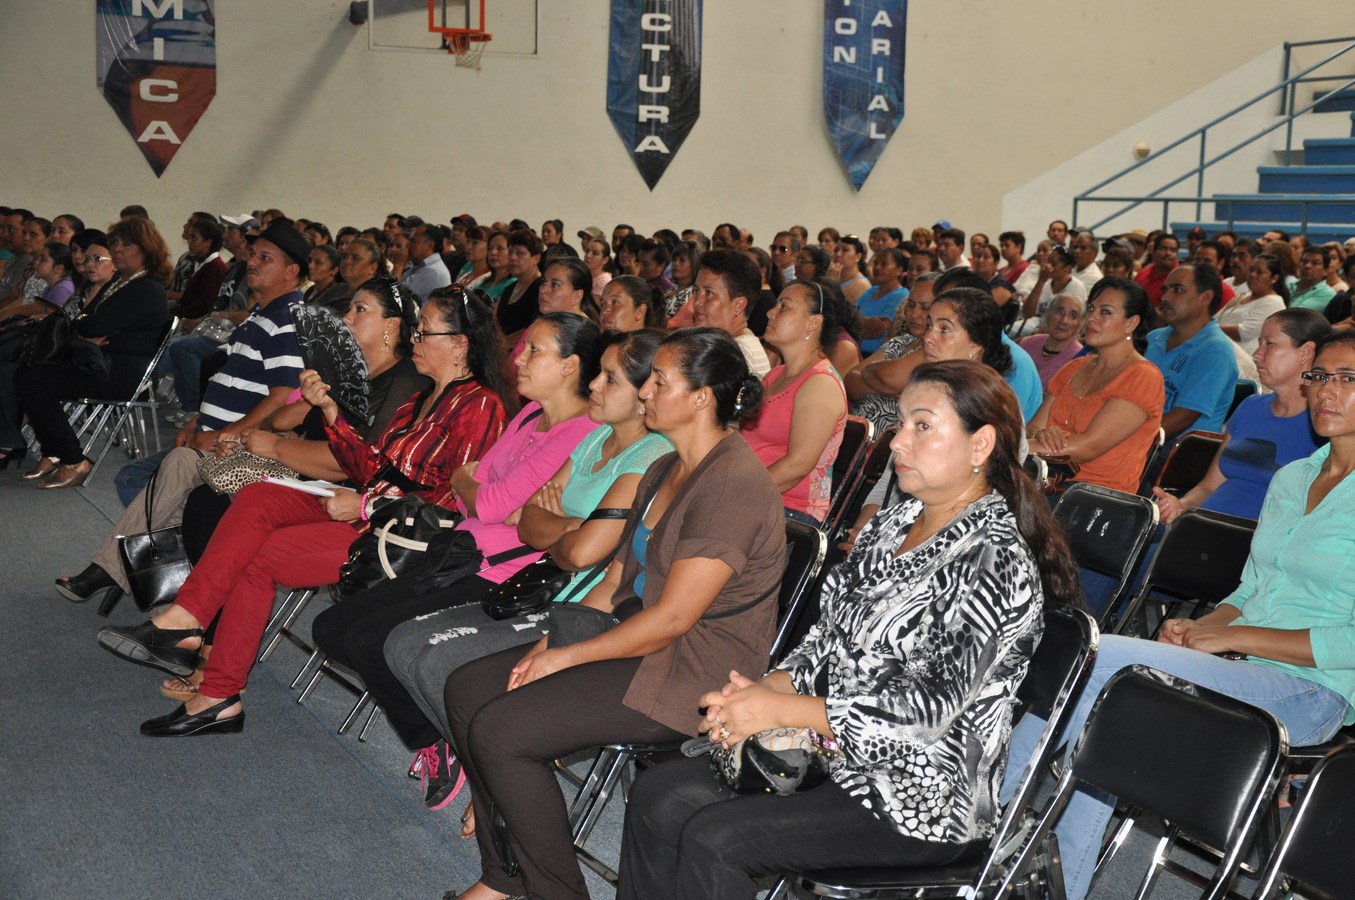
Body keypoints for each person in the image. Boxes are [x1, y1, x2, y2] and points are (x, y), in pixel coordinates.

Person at [617, 359, 1082, 900]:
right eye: (901, 423)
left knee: (716, 839)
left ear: (981, 446)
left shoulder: (992, 560)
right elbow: (824, 643)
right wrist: (759, 694)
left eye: (922, 426)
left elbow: (922, 714)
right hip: (829, 754)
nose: (898, 443)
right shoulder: (894, 522)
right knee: (658, 794)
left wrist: (781, 712)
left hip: (916, 797)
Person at [1005, 329, 1355, 900]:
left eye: (1349, 380)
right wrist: (1204, 626)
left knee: (1095, 659)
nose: (1327, 392)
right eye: (1321, 377)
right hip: (1243, 661)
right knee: (1112, 695)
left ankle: (983, 827)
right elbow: (1252, 587)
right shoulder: (1295, 477)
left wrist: (1234, 635)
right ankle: (1041, 866)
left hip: (1313, 690)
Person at [443, 327, 785, 900]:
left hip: (692, 671)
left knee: (502, 731)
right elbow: (614, 581)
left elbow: (675, 619)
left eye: (659, 382)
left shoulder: (732, 486)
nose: (645, 392)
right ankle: (503, 877)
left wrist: (570, 656)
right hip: (637, 637)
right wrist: (555, 641)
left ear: (702, 398)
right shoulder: (663, 469)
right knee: (469, 687)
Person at [95, 286, 513, 735]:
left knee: (256, 556)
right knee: (256, 498)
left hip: (403, 540)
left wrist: (370, 503)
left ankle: (216, 690)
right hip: (371, 512)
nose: (415, 339)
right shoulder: (423, 398)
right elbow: (368, 466)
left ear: (459, 343)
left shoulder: (480, 405)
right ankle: (188, 623)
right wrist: (332, 411)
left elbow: (455, 502)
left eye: (425, 332)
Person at [384, 329, 673, 811]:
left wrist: (559, 528)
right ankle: (476, 761)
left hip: (582, 603)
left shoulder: (651, 457)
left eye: (610, 379)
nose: (594, 386)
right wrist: (570, 527)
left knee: (439, 662)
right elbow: (534, 526)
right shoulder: (597, 434)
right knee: (401, 643)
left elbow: (582, 553)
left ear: (645, 396)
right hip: (543, 582)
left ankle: (491, 777)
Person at [309, 313, 602, 759]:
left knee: (369, 641)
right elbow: (472, 494)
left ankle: (443, 747)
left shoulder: (581, 432)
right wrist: (482, 490)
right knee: (331, 627)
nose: (518, 358)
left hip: (504, 572)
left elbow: (483, 498)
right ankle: (442, 730)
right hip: (458, 550)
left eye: (534, 350)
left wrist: (480, 490)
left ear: (569, 366)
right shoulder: (527, 416)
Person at [18, 216, 172, 488]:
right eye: (114, 242)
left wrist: (85, 327)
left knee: (34, 380)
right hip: (100, 363)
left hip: (121, 374)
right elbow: (86, 321)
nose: (117, 249)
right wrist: (86, 328)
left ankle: (73, 459)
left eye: (127, 243)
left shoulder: (145, 288)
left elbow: (93, 323)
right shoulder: (122, 283)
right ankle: (55, 451)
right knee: (27, 373)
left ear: (146, 248)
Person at [1153, 308, 1329, 524]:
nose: (1257, 353)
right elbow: (1208, 487)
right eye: (1259, 343)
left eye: (1269, 343)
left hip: (1252, 544)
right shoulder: (1250, 407)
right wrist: (1181, 505)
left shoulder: (1323, 425)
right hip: (1202, 528)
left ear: (1306, 352)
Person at [1027, 278, 1164, 494]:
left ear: (1131, 323)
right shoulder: (1075, 367)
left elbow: (1085, 448)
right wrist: (1042, 434)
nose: (1091, 318)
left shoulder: (1143, 378)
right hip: (1044, 483)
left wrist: (1012, 449)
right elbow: (1033, 427)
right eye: (1091, 309)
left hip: (1095, 500)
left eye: (1106, 312)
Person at [742, 279, 848, 525]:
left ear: (813, 322)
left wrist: (736, 495)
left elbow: (797, 465)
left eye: (784, 306)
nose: (770, 312)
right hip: (757, 498)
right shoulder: (776, 374)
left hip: (790, 512)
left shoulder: (820, 384)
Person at [1145, 263, 1239, 441]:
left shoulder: (1215, 350)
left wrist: (1126, 442)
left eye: (1178, 290)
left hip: (1174, 455)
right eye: (1165, 290)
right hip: (1144, 442)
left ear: (1206, 297)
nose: (1165, 297)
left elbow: (1183, 418)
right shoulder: (1154, 338)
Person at [846, 272, 935, 433]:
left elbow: (887, 378)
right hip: (857, 433)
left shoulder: (934, 350)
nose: (915, 314)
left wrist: (871, 379)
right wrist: (883, 386)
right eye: (911, 305)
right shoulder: (901, 342)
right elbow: (849, 382)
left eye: (925, 307)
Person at [1215, 253, 1289, 354]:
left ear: (1274, 278)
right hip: (1222, 349)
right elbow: (1217, 318)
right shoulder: (1242, 296)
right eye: (1251, 270)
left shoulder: (1273, 302)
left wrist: (1209, 328)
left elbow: (1243, 332)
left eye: (1259, 272)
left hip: (1245, 360)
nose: (1253, 275)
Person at [1017, 246, 1087, 337]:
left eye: (1053, 264)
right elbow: (1027, 313)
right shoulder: (1046, 284)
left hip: (1060, 330)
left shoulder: (1077, 287)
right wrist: (1040, 281)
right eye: (1048, 262)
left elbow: (1076, 321)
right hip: (1037, 323)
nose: (1047, 266)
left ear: (1067, 268)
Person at [1019, 292, 1085, 388]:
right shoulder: (1028, 343)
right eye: (1060, 312)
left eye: (1073, 316)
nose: (1064, 321)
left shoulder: (1078, 358)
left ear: (1080, 325)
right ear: (1048, 314)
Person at [854, 247, 907, 354]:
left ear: (899, 270)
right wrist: (863, 322)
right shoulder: (871, 291)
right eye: (876, 263)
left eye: (884, 264)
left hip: (875, 356)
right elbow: (850, 316)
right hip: (856, 351)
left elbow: (879, 330)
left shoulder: (902, 295)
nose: (877, 267)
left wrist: (856, 323)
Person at [496, 229, 544, 340]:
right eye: (511, 253)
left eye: (520, 253)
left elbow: (533, 329)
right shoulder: (509, 288)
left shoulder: (541, 289)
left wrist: (503, 345)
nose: (513, 258)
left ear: (536, 258)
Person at [479, 230, 517, 304]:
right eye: (490, 249)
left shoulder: (513, 284)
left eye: (500, 248)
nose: (493, 253)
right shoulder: (484, 283)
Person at [833, 235, 870, 303]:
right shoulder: (834, 276)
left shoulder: (861, 284)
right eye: (836, 250)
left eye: (845, 250)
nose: (838, 254)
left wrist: (830, 282)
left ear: (858, 257)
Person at [582, 235, 614, 302]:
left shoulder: (604, 282)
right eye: (587, 251)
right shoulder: (583, 275)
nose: (588, 256)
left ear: (605, 260)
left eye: (595, 253)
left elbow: (593, 309)